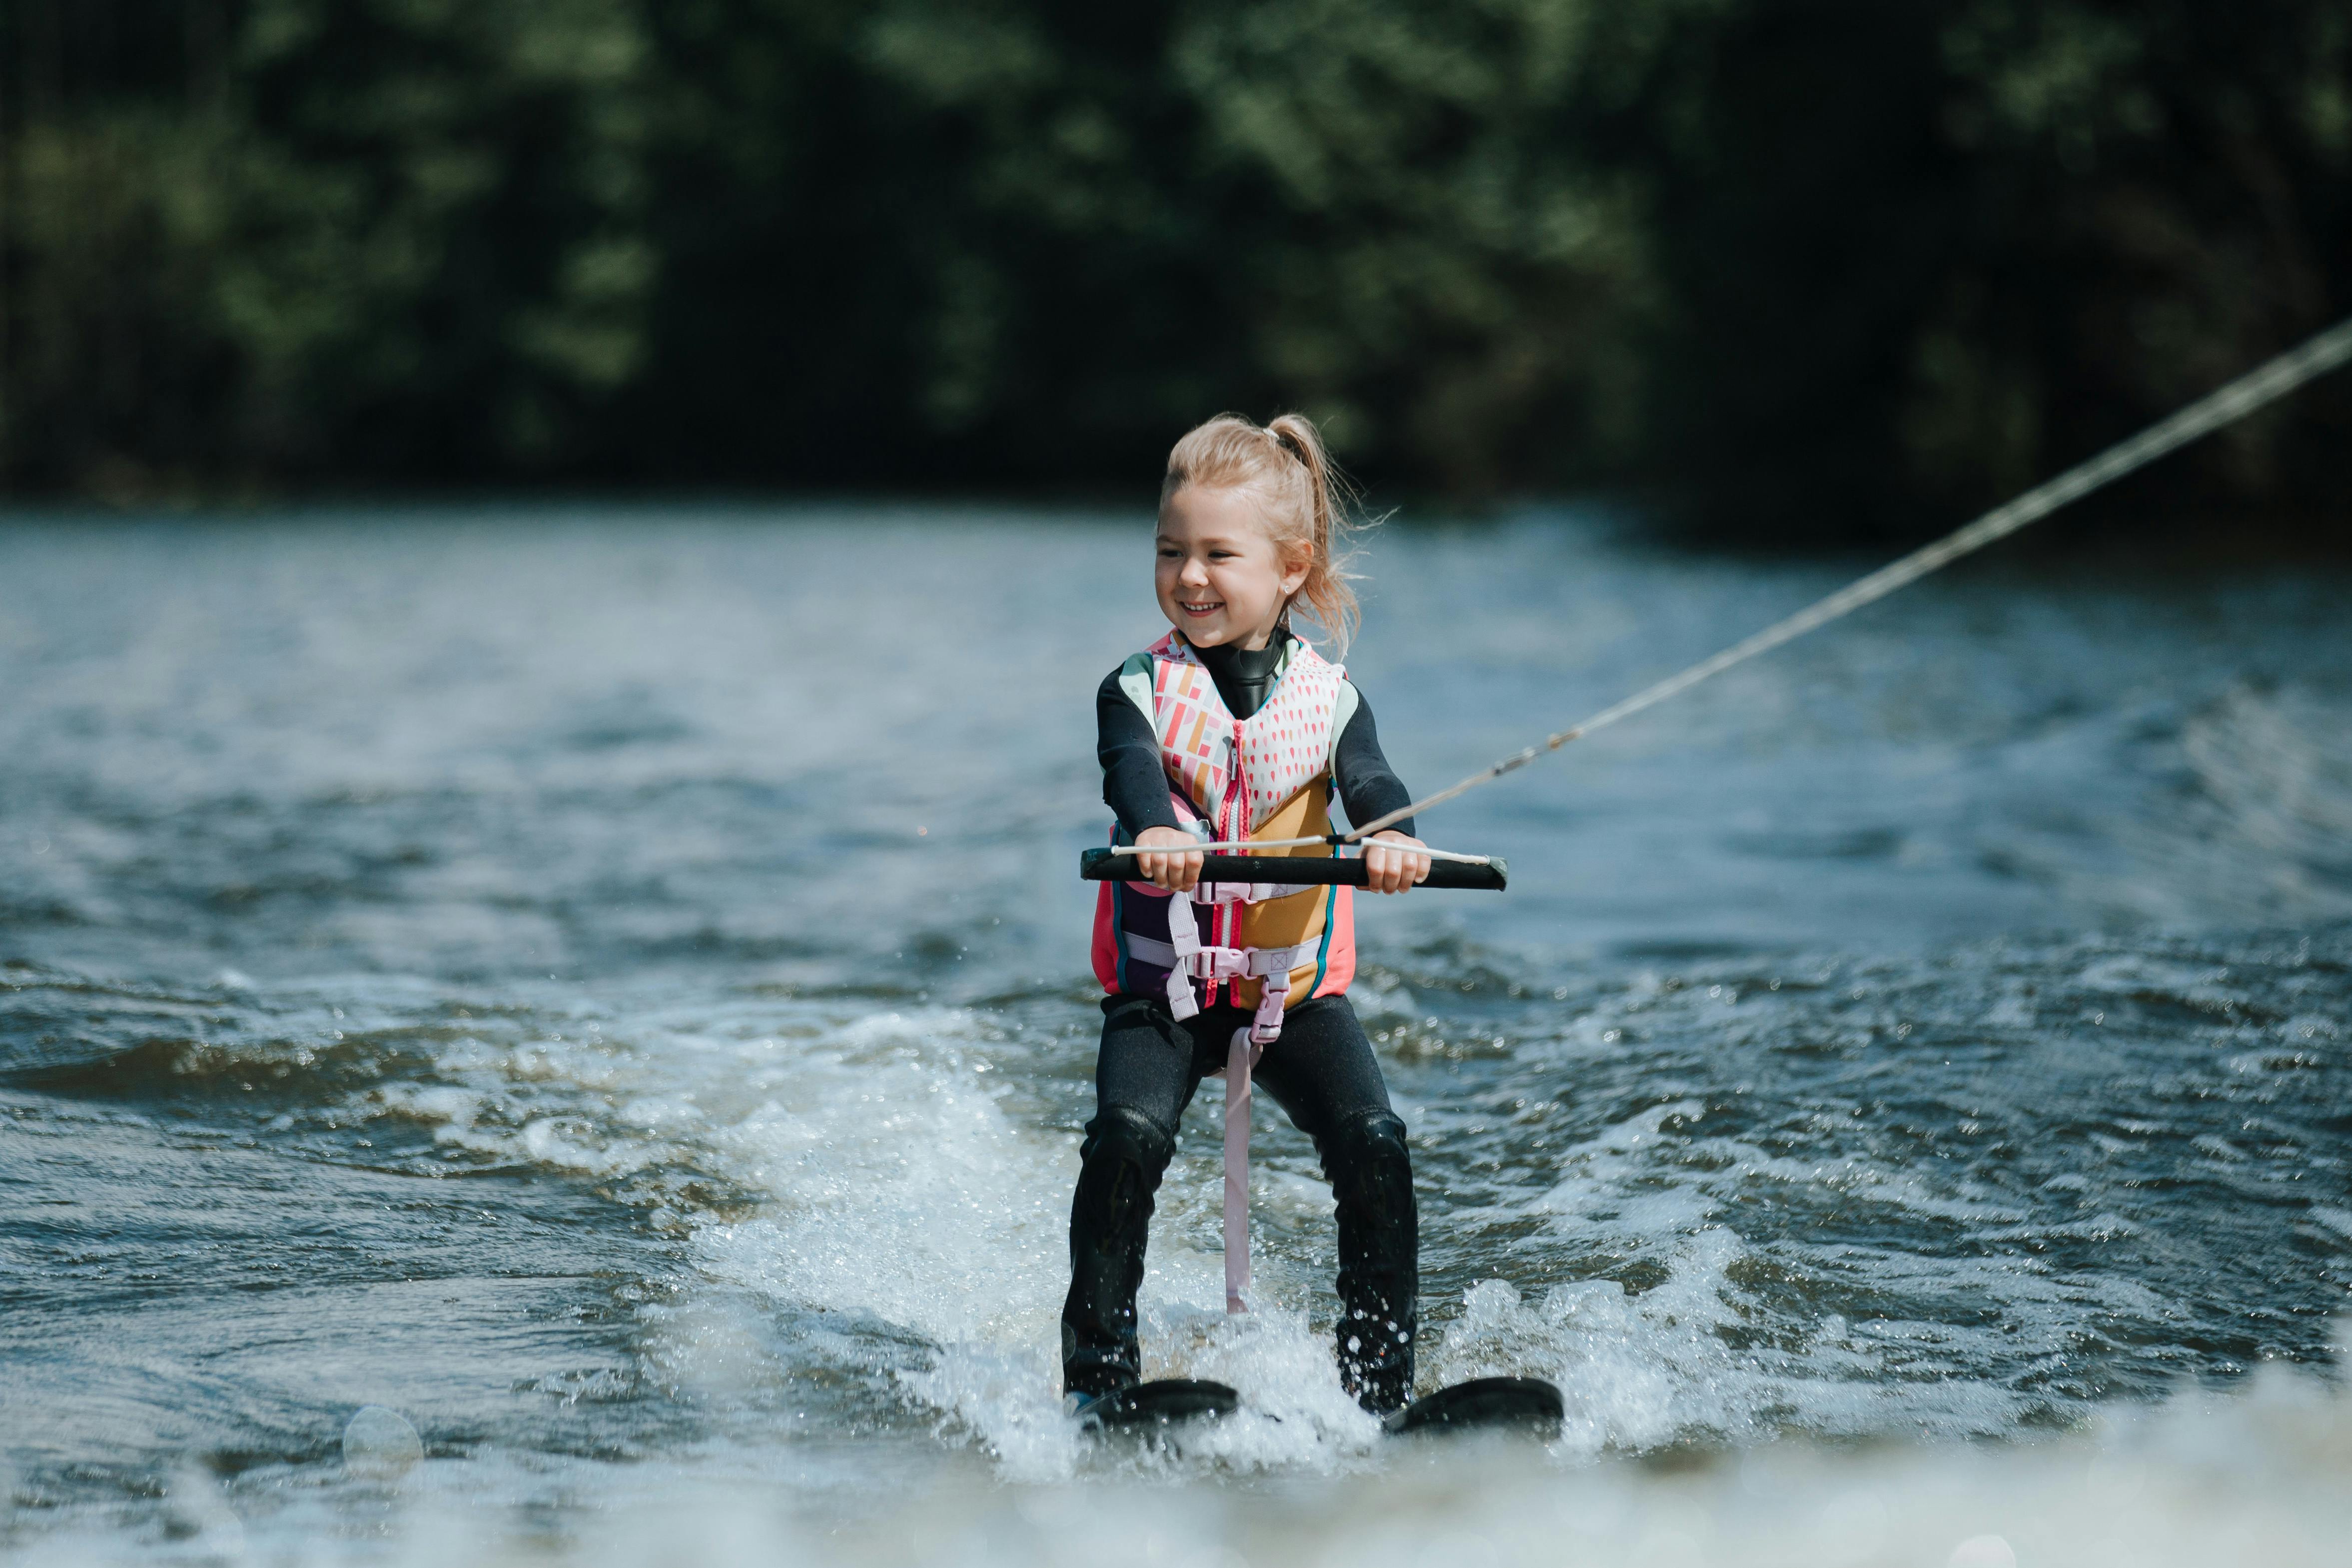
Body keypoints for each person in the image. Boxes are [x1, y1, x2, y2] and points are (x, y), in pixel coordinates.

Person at [1063, 411, 1433, 1417]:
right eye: (1169, 550)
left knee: (1374, 1143)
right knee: (1124, 1140)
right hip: (1165, 998)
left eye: (1217, 555)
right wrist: (1154, 832)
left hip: (1292, 998)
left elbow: (1370, 780)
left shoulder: (1330, 698)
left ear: (1287, 568)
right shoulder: (1134, 690)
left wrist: (1391, 836)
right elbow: (1133, 773)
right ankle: (1097, 1386)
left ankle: (1379, 1393)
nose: (1188, 576)